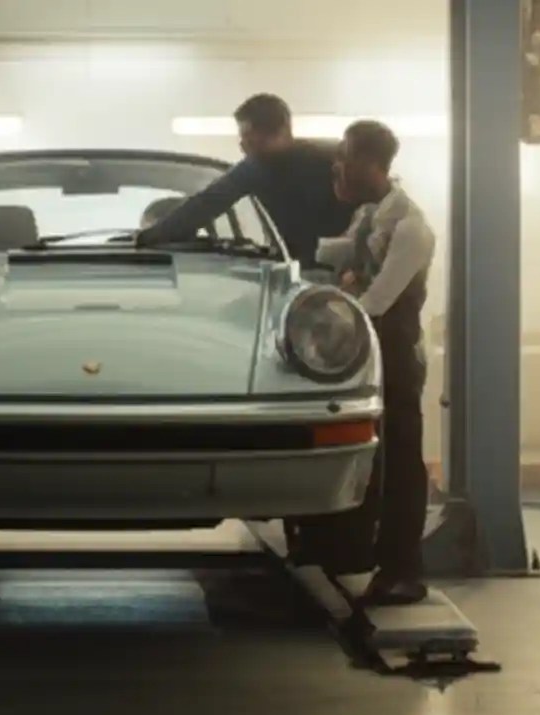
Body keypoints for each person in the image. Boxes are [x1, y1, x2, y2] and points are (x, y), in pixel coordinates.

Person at [329, 120, 436, 605]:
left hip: (395, 351)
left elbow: (376, 300)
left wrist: (347, 289)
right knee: (373, 459)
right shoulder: (370, 215)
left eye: (346, 155)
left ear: (371, 162)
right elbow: (336, 260)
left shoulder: (411, 225)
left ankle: (405, 570)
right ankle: (364, 556)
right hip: (368, 350)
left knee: (402, 463)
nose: (340, 163)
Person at [137, 93, 355, 262]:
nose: (243, 148)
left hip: (342, 267)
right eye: (242, 140)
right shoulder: (256, 167)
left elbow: (372, 215)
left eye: (251, 141)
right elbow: (207, 203)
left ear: (283, 131)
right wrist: (149, 237)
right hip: (293, 267)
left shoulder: (333, 163)